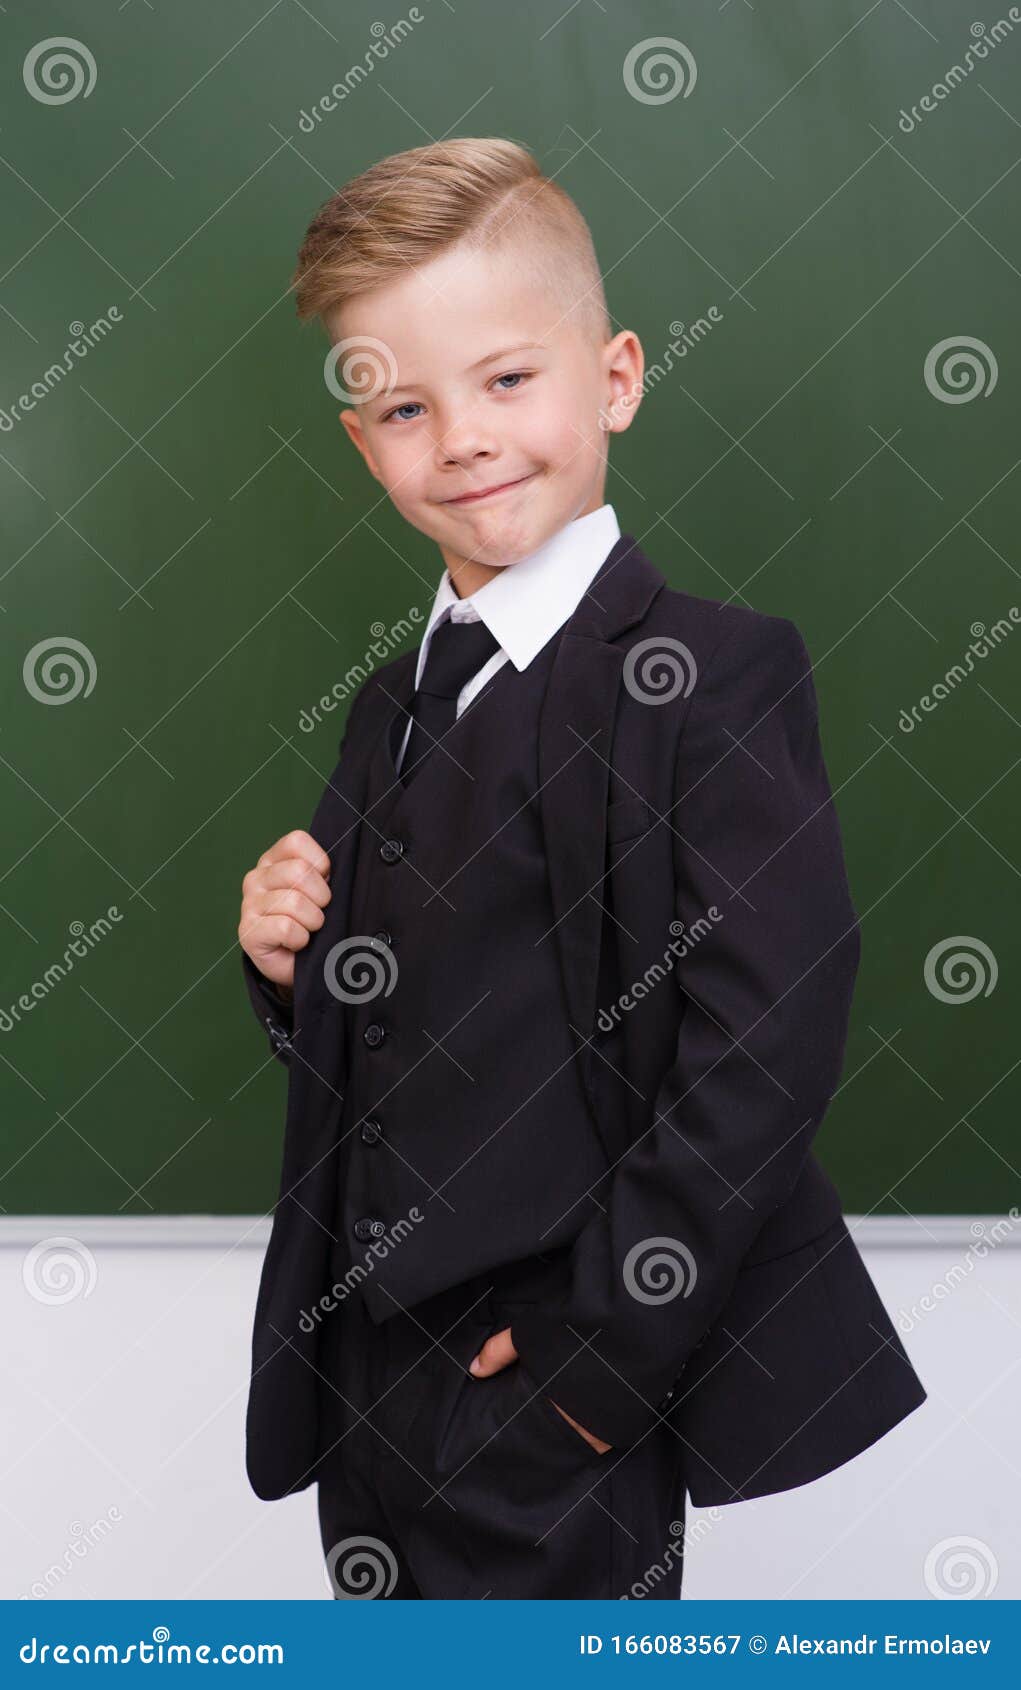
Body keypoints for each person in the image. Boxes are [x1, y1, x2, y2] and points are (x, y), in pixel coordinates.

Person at [236, 137, 926, 1600]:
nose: (464, 438)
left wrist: (597, 1363)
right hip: (369, 1376)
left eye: (505, 380)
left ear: (611, 378)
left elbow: (764, 1039)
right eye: (406, 407)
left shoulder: (712, 679)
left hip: (558, 1388)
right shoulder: (390, 707)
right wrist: (286, 961)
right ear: (366, 446)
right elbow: (391, 1028)